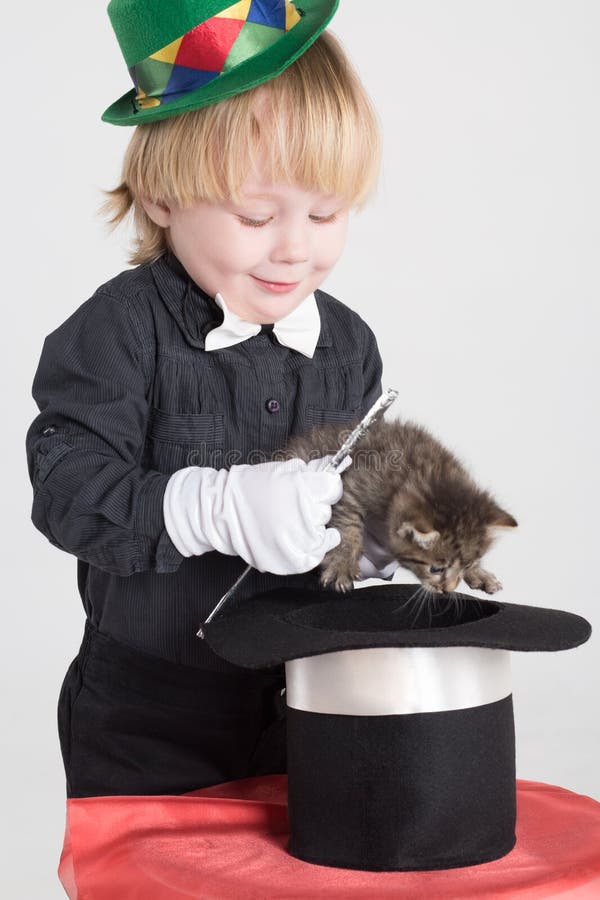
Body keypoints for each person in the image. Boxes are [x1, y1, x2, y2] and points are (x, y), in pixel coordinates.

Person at [25, 0, 394, 801]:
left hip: (308, 700)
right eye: (256, 215)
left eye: (327, 213)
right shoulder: (116, 334)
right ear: (162, 196)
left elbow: (354, 492)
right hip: (148, 717)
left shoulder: (350, 345)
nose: (296, 246)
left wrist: (377, 529)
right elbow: (64, 492)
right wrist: (208, 508)